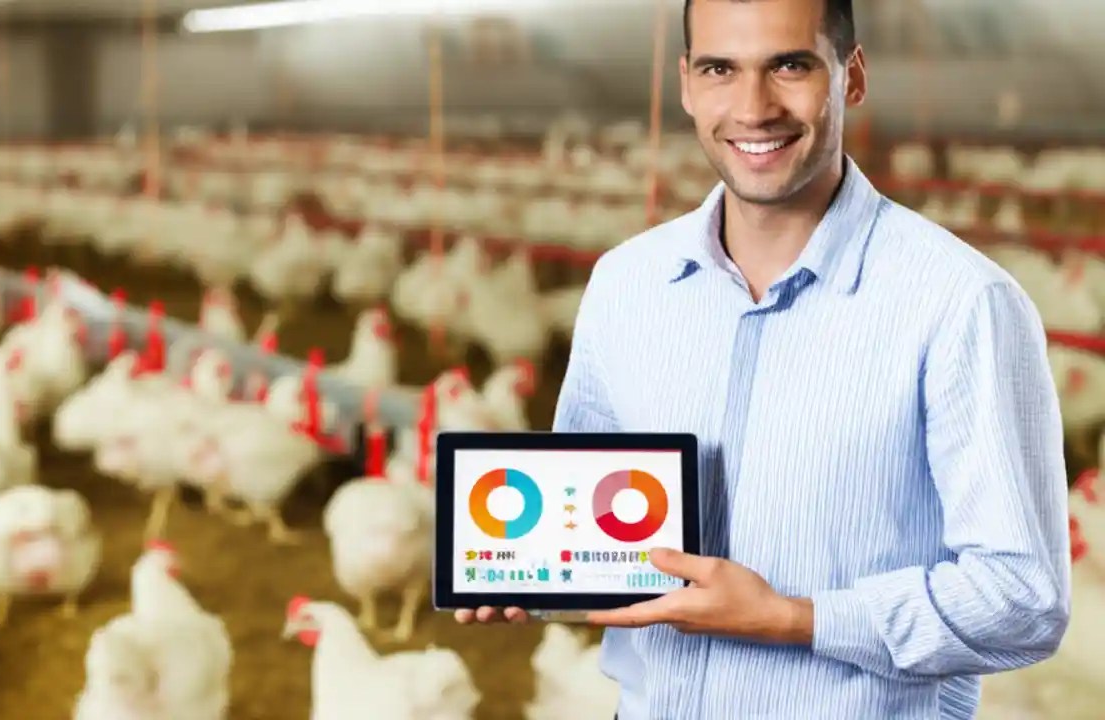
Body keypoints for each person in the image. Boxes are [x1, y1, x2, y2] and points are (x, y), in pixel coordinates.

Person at [454, 0, 1072, 717]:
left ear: (852, 76)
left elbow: (1024, 599)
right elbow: (592, 524)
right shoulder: (628, 285)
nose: (754, 107)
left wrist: (794, 617)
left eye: (789, 65)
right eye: (721, 69)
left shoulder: (961, 305)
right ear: (686, 84)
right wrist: (524, 569)